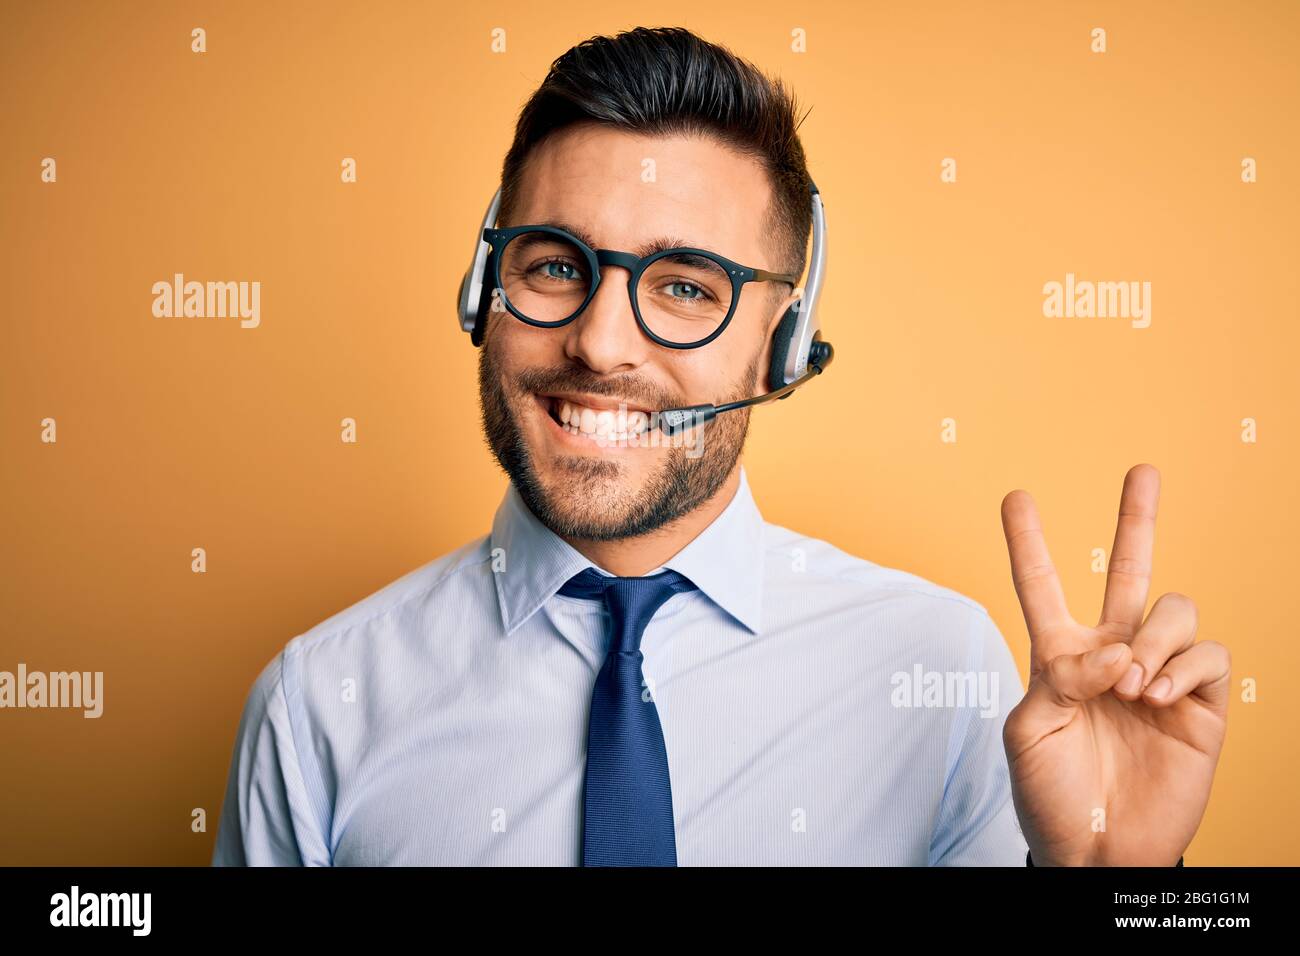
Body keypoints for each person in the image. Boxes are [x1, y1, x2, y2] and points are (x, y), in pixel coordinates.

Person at [212, 26, 1228, 866]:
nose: (601, 344)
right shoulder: (317, 703)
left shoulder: (940, 666)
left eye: (686, 287)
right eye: (555, 265)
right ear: (487, 293)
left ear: (779, 346)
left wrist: (1120, 883)